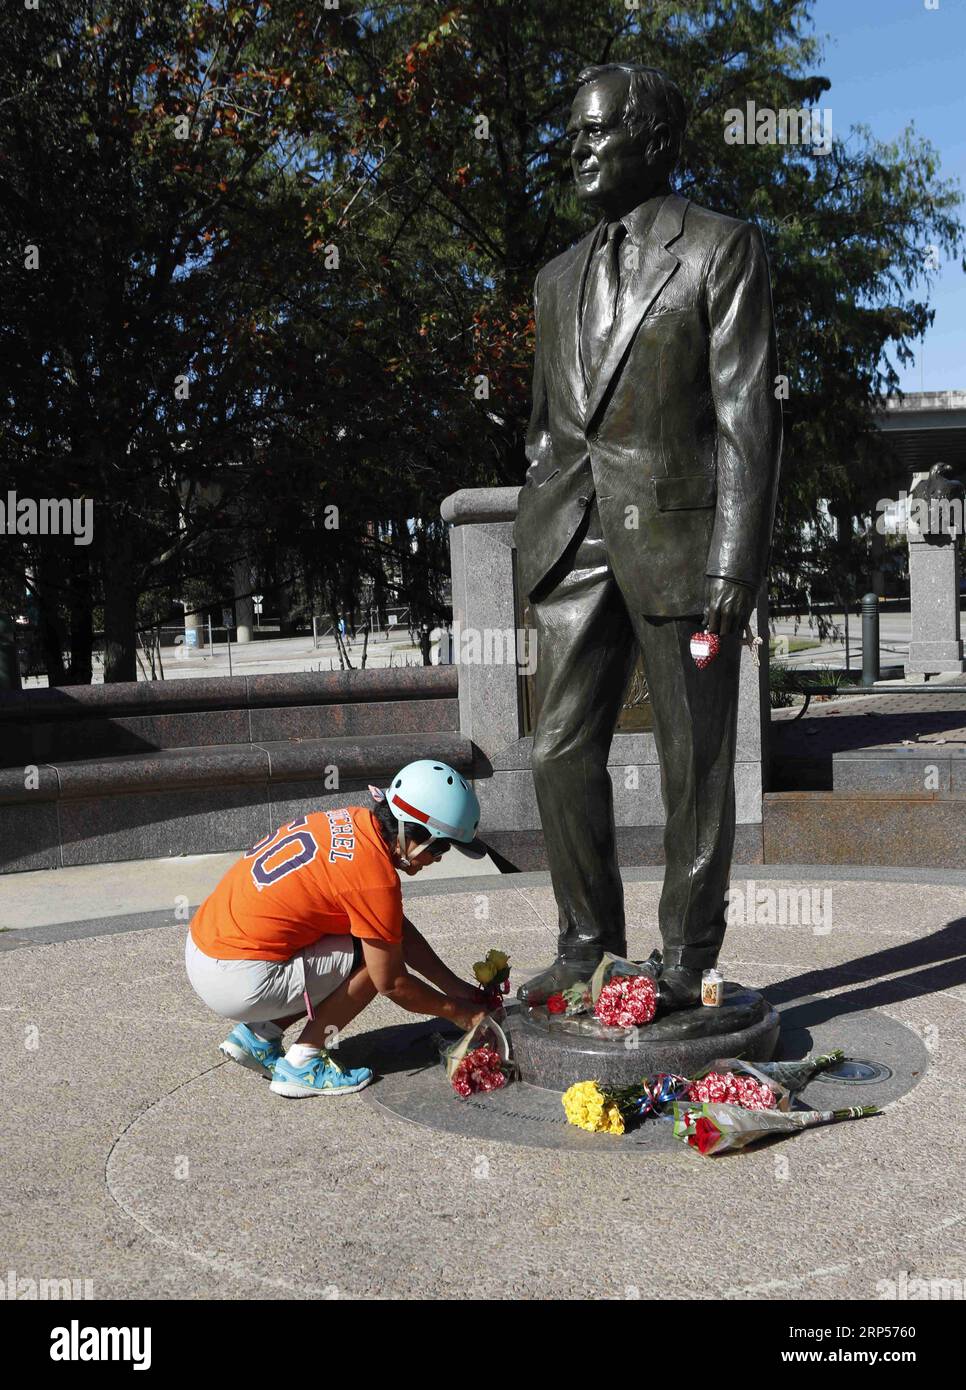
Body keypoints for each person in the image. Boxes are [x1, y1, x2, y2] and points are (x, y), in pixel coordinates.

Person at [513, 62, 782, 1008]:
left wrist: (733, 562)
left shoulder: (719, 249)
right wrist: (536, 532)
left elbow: (748, 417)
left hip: (680, 545)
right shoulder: (554, 280)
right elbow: (551, 424)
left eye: (595, 132)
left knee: (693, 761)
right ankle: (586, 942)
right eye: (573, 133)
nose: (576, 148)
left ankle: (685, 958)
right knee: (555, 749)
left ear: (654, 141)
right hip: (572, 543)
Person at [185, 760, 490, 1098]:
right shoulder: (374, 878)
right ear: (413, 833)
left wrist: (456, 988)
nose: (439, 858)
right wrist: (462, 1014)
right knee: (374, 962)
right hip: (237, 976)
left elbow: (392, 927)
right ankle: (302, 1063)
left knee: (375, 939)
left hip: (208, 948)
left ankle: (259, 1035)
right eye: (440, 847)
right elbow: (391, 983)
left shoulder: (356, 823)